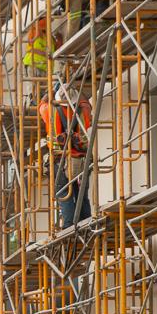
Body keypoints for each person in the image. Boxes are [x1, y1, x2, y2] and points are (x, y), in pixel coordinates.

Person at [39, 86, 93, 228]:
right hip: (81, 161)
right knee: (81, 194)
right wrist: (75, 88)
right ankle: (86, 224)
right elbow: (85, 102)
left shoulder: (50, 112)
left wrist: (52, 89)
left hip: (60, 161)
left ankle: (69, 226)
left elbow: (42, 104)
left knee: (64, 194)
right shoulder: (84, 112)